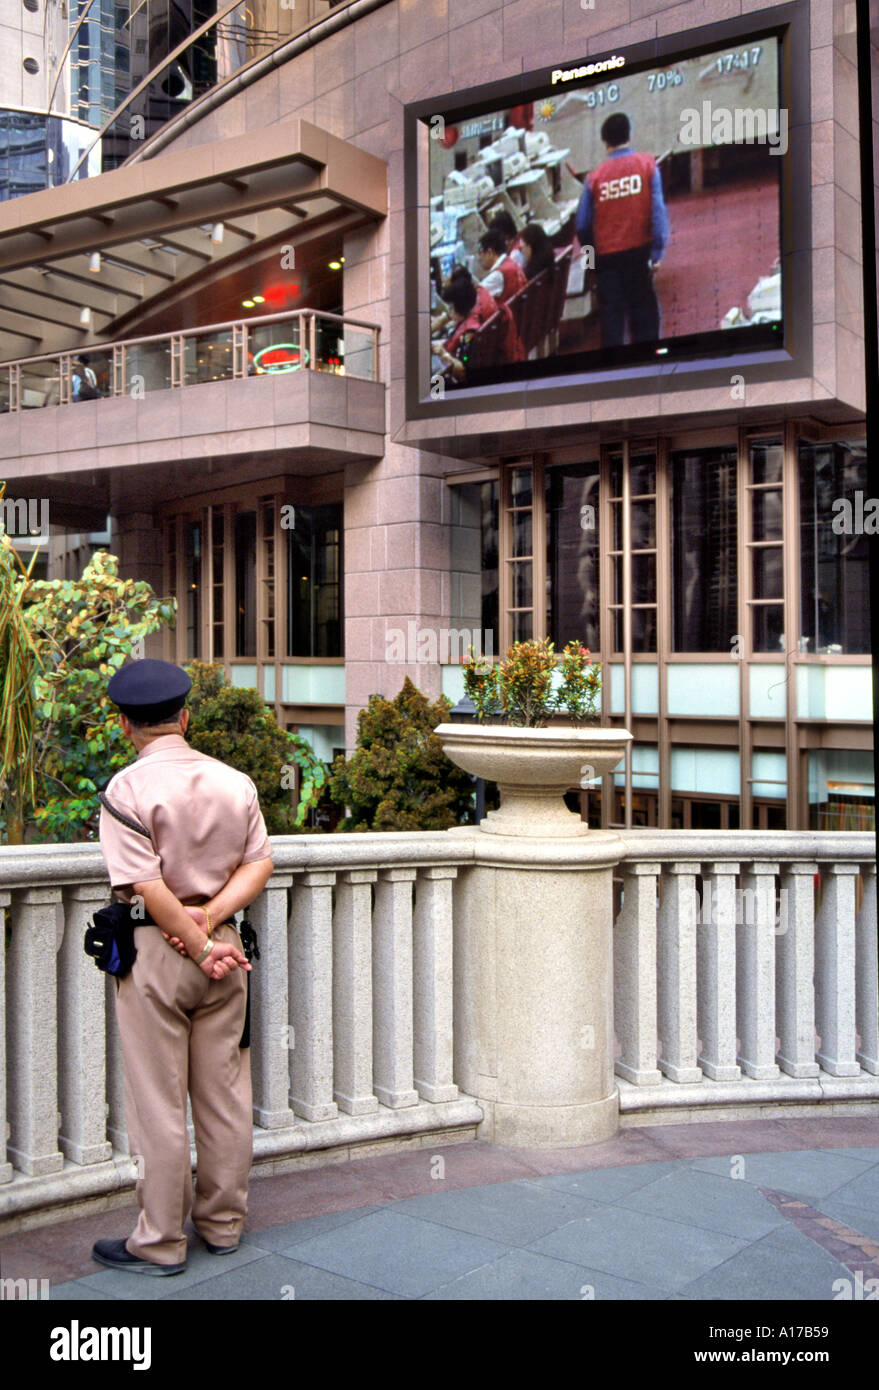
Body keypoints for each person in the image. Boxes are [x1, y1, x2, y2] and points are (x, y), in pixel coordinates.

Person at [92, 658, 274, 1276]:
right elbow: (259, 865)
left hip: (160, 954)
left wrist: (193, 938)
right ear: (185, 716)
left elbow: (145, 884)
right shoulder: (236, 782)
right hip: (229, 952)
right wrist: (213, 921)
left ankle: (161, 1243)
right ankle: (223, 1226)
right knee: (225, 1095)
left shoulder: (127, 789)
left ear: (125, 726)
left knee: (160, 1103)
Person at [575, 111, 670, 348]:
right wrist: (657, 253)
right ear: (630, 134)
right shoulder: (648, 166)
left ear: (605, 141)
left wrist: (592, 263)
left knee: (612, 329)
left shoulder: (594, 179)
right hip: (640, 256)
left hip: (607, 263)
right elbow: (658, 212)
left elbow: (583, 225)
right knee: (646, 323)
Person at [432, 270, 523, 382]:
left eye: (451, 308)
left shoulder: (469, 332)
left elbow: (462, 367)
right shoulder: (470, 319)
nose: (449, 312)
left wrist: (444, 354)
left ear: (460, 307)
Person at [477, 226, 527, 304]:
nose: (479, 258)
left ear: (490, 252)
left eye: (481, 253)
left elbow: (473, 298)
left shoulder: (498, 275)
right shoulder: (511, 262)